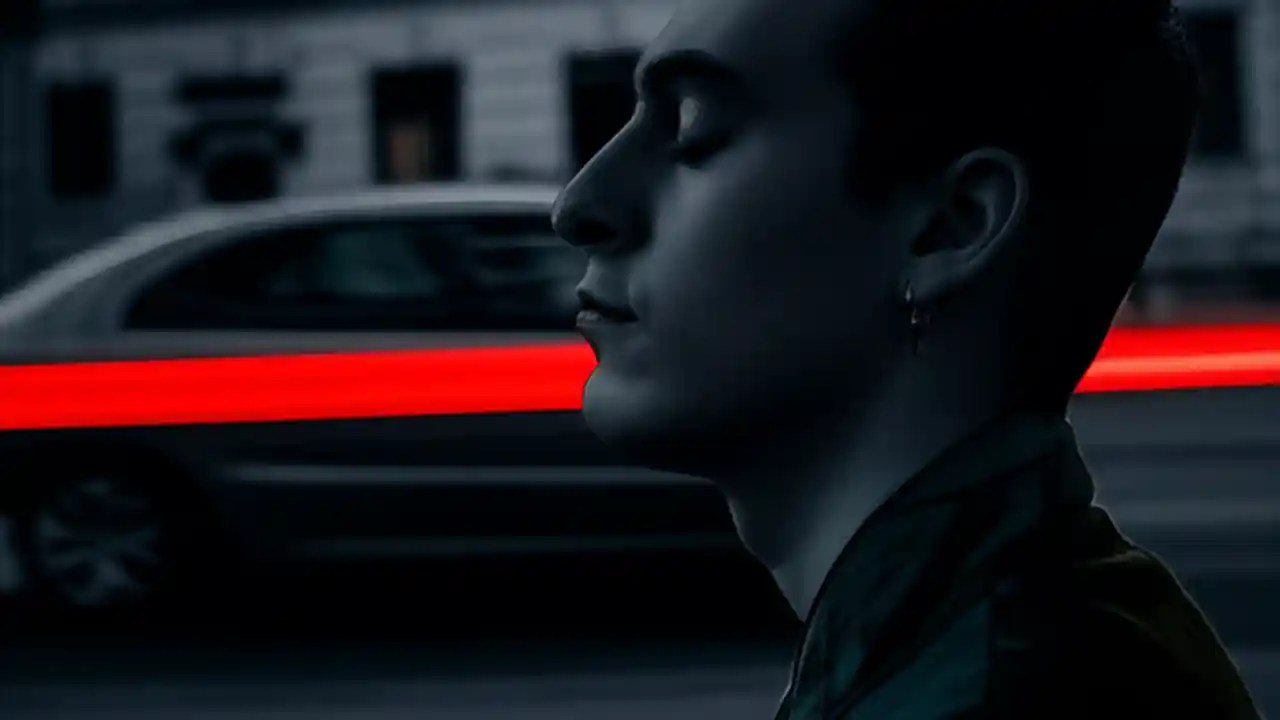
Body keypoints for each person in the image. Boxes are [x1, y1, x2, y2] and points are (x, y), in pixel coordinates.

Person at [551, 0, 1262, 717]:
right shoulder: (1014, 629)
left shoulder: (994, 689)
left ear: (950, 226)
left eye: (692, 128)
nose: (579, 202)